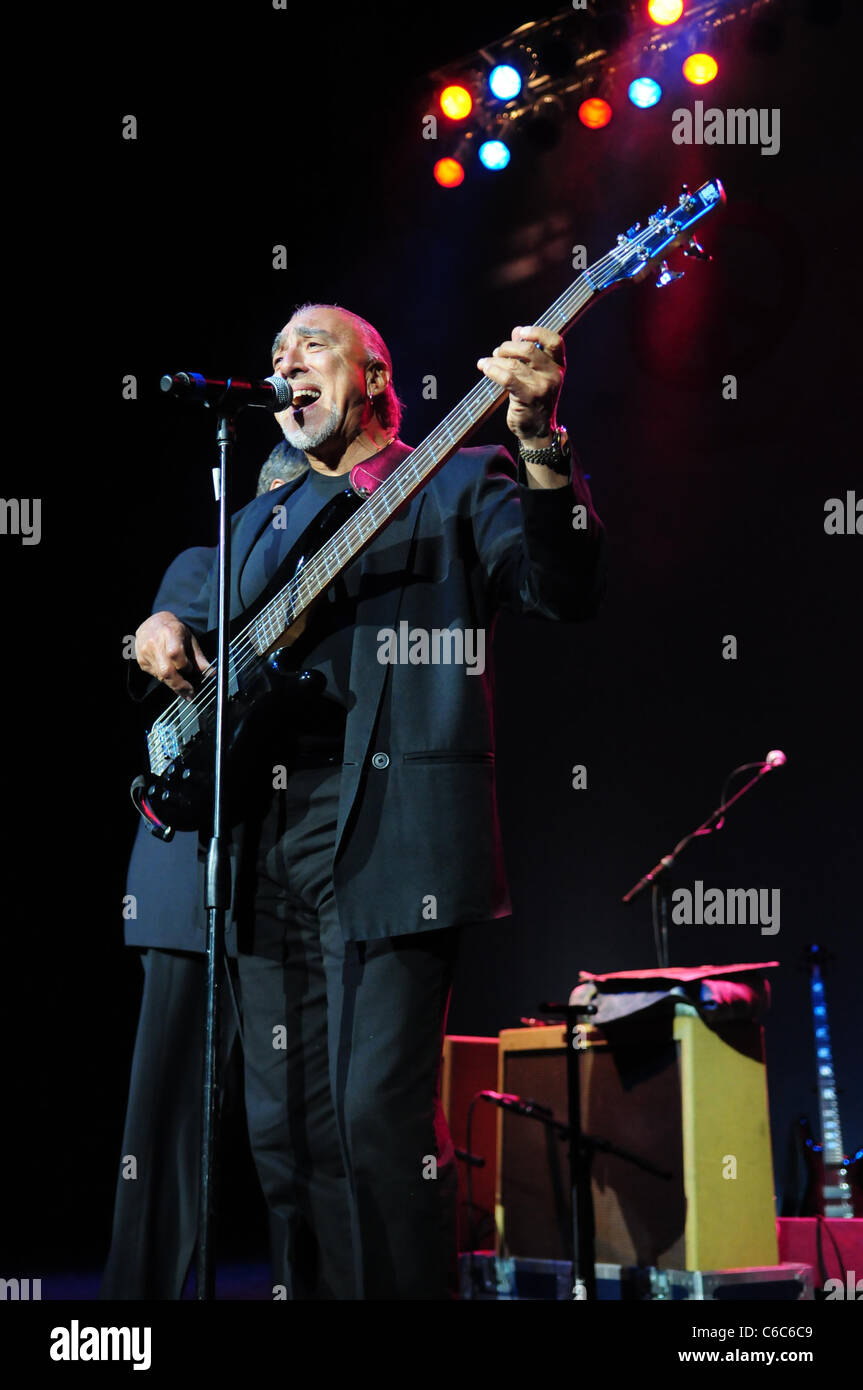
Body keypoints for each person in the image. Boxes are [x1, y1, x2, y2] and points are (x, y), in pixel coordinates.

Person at [133, 304, 605, 1299]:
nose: (284, 363)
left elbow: (563, 587)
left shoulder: (452, 482)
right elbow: (193, 590)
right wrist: (165, 620)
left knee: (376, 1123)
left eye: (311, 347)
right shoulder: (257, 522)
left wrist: (536, 441)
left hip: (394, 847)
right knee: (281, 1129)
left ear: (375, 378)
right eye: (273, 353)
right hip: (261, 847)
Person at [101, 448, 302, 1299]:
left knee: (298, 1125)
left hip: (289, 885)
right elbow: (158, 642)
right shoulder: (209, 565)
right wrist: (153, 637)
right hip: (189, 884)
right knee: (166, 1125)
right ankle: (130, 1319)